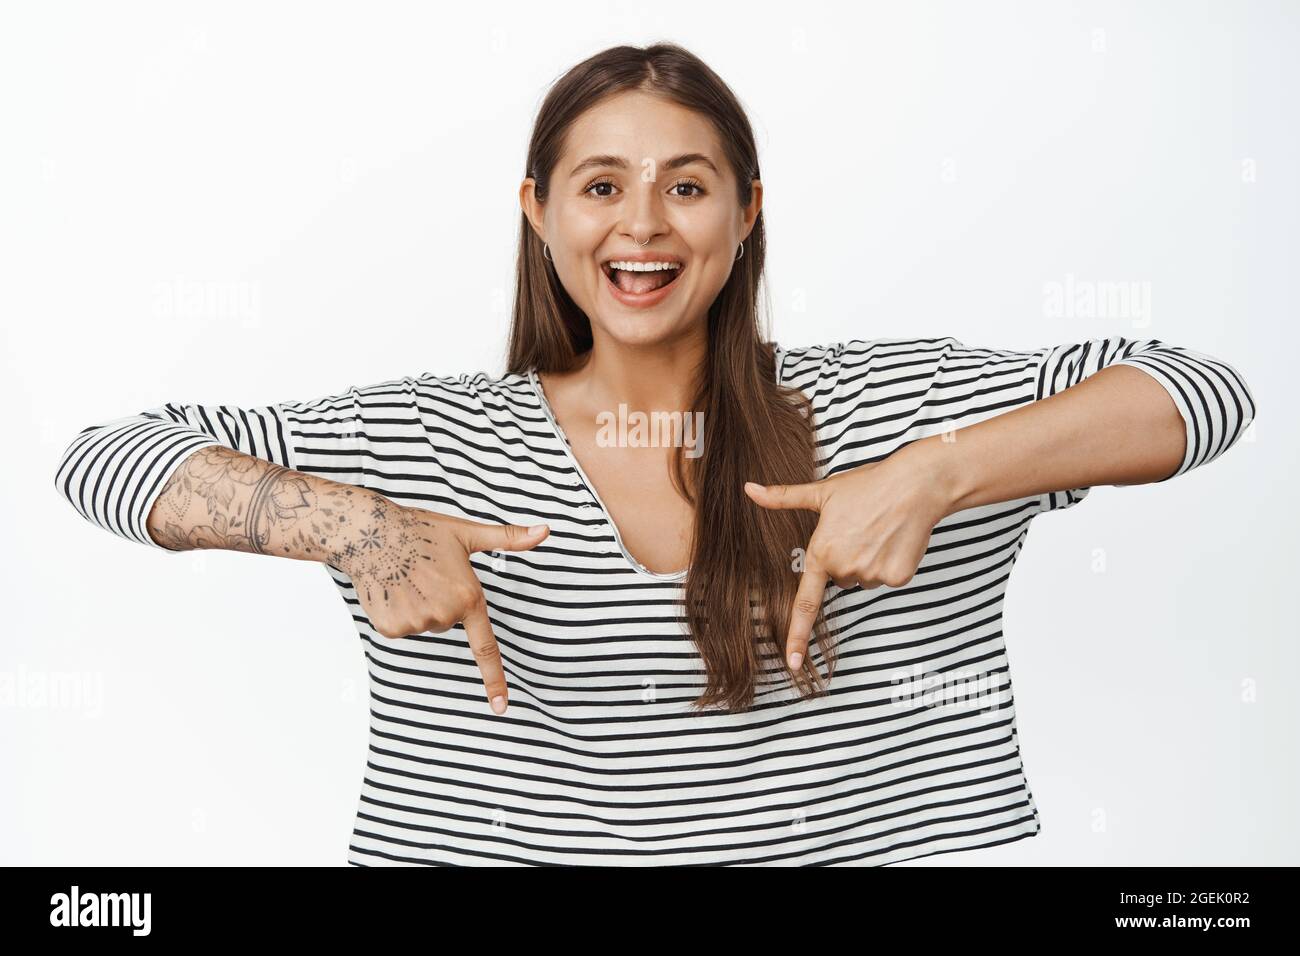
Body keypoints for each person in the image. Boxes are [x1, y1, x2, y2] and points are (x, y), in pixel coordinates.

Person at [52, 43, 1257, 866]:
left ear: (747, 210)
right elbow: (106, 459)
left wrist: (934, 473)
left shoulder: (889, 406)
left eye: (686, 186)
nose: (641, 225)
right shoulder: (427, 436)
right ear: (538, 211)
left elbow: (1197, 392)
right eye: (600, 187)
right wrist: (355, 527)